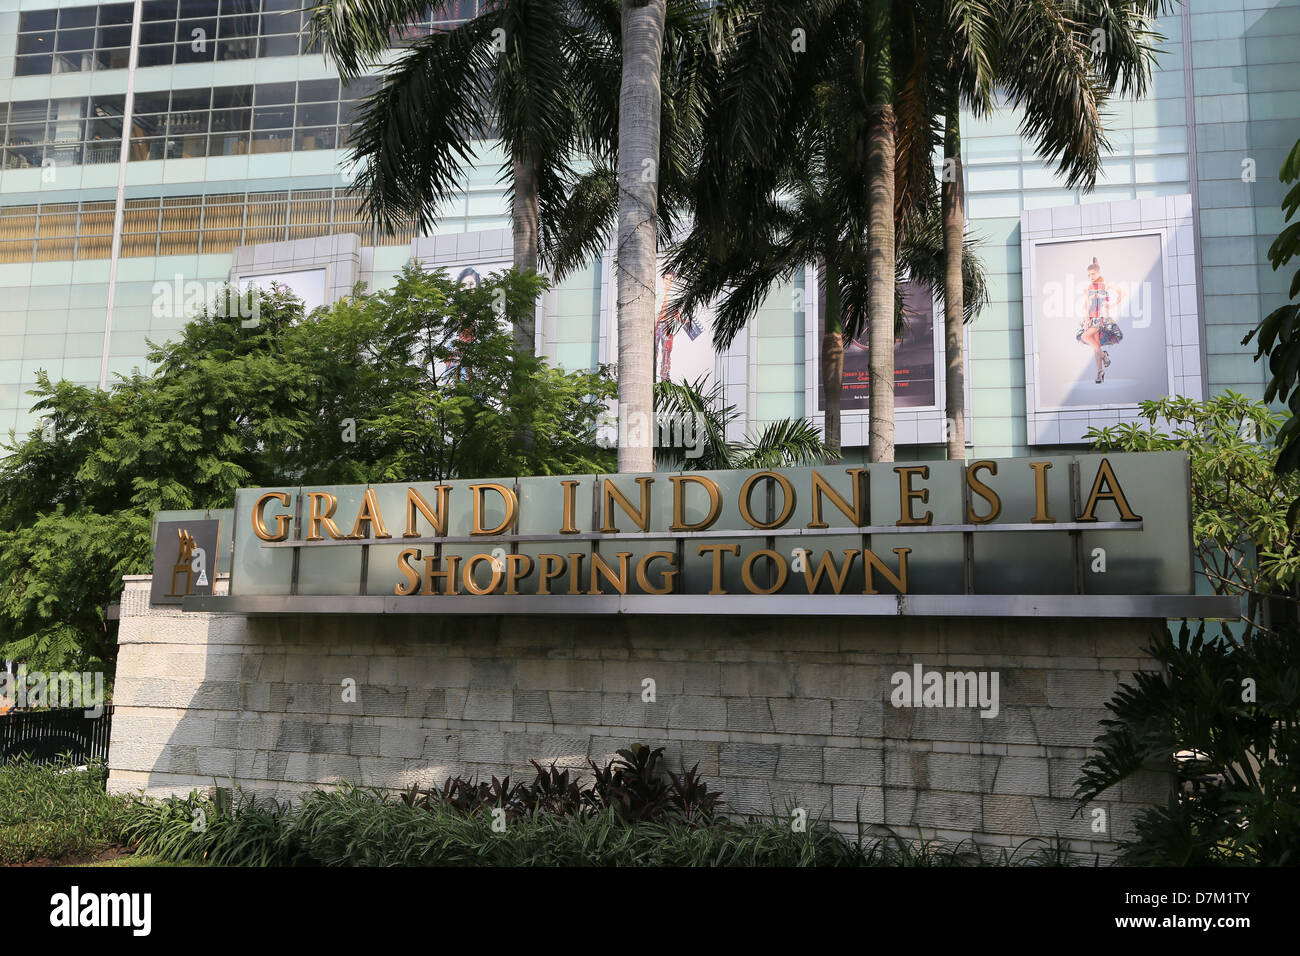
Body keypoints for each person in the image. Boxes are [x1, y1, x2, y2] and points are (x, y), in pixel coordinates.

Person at [1076, 257, 1124, 384]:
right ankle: (1100, 371)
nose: (1091, 276)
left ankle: (1104, 356)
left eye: (1093, 274)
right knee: (1095, 345)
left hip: (1102, 317)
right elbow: (1087, 303)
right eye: (1089, 275)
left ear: (1098, 272)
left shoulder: (1107, 284)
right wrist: (1086, 318)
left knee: (1086, 336)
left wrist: (1112, 305)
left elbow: (1121, 293)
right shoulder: (1088, 287)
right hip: (1091, 318)